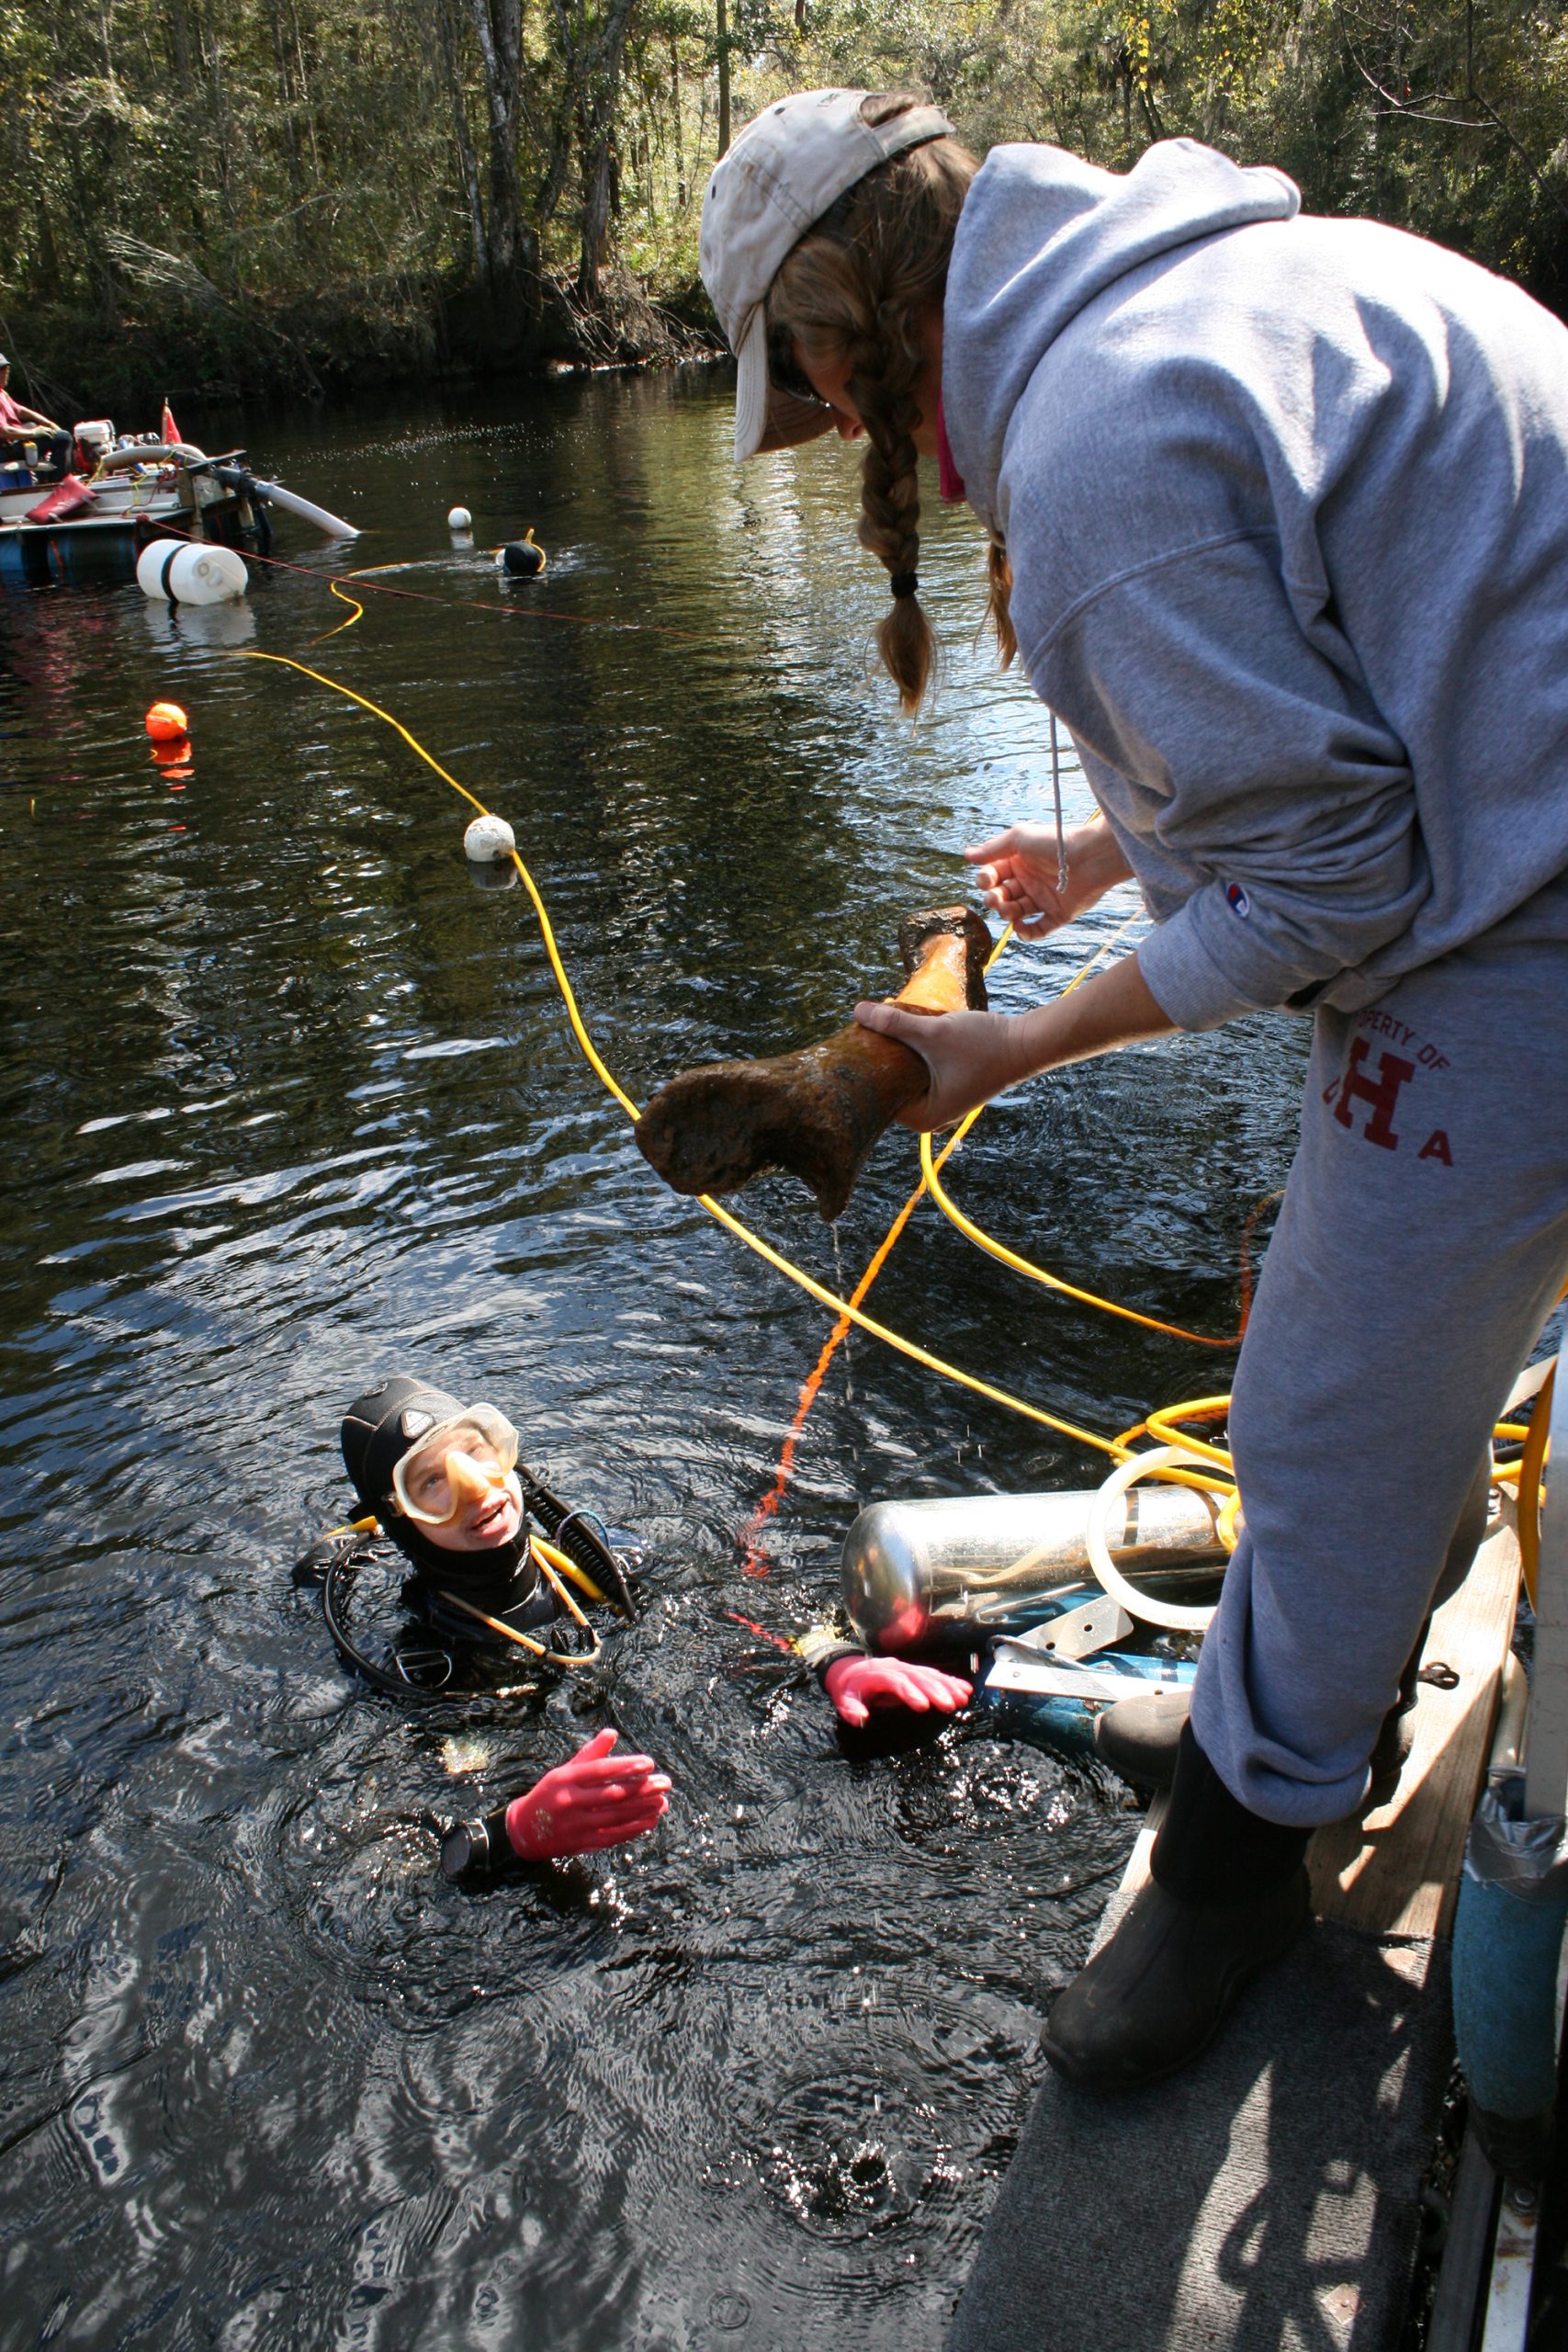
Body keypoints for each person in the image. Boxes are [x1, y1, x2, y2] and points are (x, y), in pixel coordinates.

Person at [697, 89, 1568, 2087]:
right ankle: (1323, 1684)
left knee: (1316, 1403)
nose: (828, 418)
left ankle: (1244, 1851)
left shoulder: (1099, 449)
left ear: (846, 317)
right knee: (1377, 1366)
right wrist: (1109, 855)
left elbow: (1347, 880)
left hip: (1529, 915)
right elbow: (1360, 668)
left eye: (812, 376)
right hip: (1518, 821)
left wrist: (1014, 1039)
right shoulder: (1216, 289)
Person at [331, 1374, 671, 1873]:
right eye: (431, 1483)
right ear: (400, 1520)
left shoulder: (607, 1563)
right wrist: (513, 1834)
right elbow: (402, 1849)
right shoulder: (425, 1671)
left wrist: (799, 1647)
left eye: (475, 1450)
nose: (475, 1485)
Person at [0, 356, 73, 478]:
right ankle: (59, 483)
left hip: (11, 445)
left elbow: (20, 411)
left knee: (36, 427)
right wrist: (33, 433)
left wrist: (49, 424)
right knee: (63, 438)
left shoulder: (2, 393)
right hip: (5, 450)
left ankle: (45, 479)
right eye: (1, 370)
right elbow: (3, 431)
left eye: (6, 369)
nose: (5, 373)